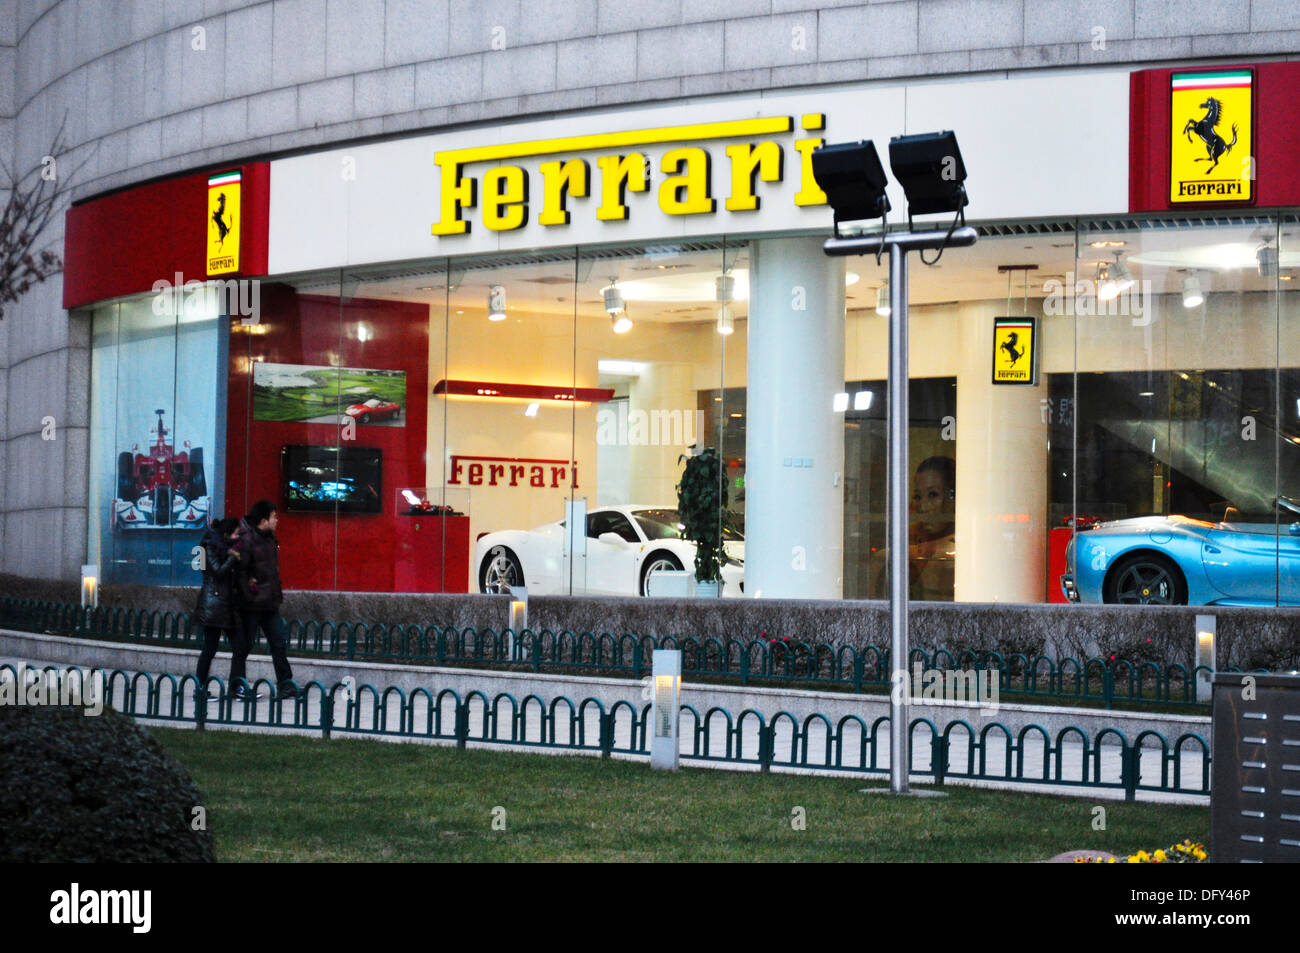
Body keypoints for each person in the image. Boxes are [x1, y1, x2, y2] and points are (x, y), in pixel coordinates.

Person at [232, 499, 298, 699]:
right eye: (274, 517)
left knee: (278, 642)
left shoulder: (269, 538)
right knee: (244, 646)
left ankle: (286, 684)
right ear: (263, 520)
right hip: (251, 604)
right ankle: (237, 687)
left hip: (269, 603)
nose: (277, 520)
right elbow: (239, 572)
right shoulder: (245, 539)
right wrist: (249, 595)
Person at [193, 517, 243, 695]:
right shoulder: (210, 545)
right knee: (210, 648)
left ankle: (236, 687)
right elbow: (218, 571)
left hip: (228, 605)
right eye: (236, 533)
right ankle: (200, 687)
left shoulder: (226, 547)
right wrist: (232, 557)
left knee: (240, 646)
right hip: (214, 606)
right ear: (226, 533)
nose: (238, 537)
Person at [909, 456, 956, 601]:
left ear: (953, 497)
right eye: (917, 496)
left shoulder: (965, 546)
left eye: (933, 495)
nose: (923, 506)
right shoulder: (908, 540)